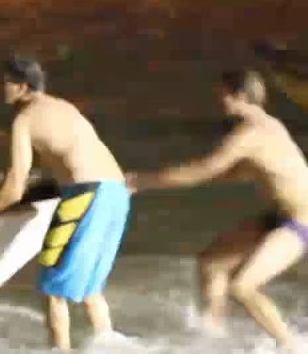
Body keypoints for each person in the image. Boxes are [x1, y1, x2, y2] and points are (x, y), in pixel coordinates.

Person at [0, 57, 130, 351]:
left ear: (22, 86)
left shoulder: (24, 119)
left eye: (5, 83)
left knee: (51, 287)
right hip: (116, 193)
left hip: (86, 196)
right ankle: (111, 344)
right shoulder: (64, 106)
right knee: (91, 288)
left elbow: (14, 190)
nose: (1, 89)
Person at [129, 67, 308, 351]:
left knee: (243, 287)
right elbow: (238, 173)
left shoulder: (252, 132)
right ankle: (214, 338)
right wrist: (173, 179)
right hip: (278, 216)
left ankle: (292, 346)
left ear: (239, 96)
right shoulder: (268, 126)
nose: (219, 101)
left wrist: (142, 181)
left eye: (223, 95)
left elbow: (204, 169)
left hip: (299, 224)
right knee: (212, 264)